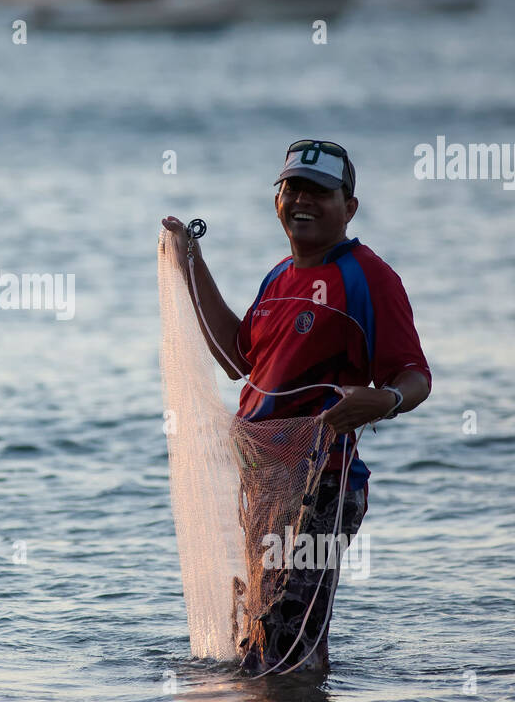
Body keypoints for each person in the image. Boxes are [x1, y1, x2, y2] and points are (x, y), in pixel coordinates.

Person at [161, 139, 431, 672]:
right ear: (278, 199)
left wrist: (385, 400)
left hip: (322, 488)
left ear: (349, 207)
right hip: (263, 485)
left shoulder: (368, 277)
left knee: (291, 634)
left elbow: (416, 377)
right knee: (260, 633)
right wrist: (191, 262)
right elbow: (236, 359)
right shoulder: (278, 277)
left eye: (319, 192)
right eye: (292, 189)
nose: (302, 201)